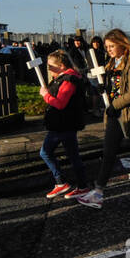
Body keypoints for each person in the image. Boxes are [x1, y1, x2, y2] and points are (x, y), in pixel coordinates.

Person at [76, 29, 130, 207]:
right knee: (108, 152)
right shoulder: (112, 63)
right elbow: (113, 87)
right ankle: (98, 192)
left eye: (112, 46)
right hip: (115, 115)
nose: (108, 49)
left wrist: (113, 105)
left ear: (122, 44)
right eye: (107, 46)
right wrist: (104, 89)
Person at [39, 50, 89, 198]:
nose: (49, 69)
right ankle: (66, 183)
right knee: (61, 154)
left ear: (61, 65)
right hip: (60, 124)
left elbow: (60, 103)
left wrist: (45, 95)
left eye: (51, 65)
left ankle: (77, 185)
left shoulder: (69, 80)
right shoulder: (62, 78)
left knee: (62, 155)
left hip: (64, 124)